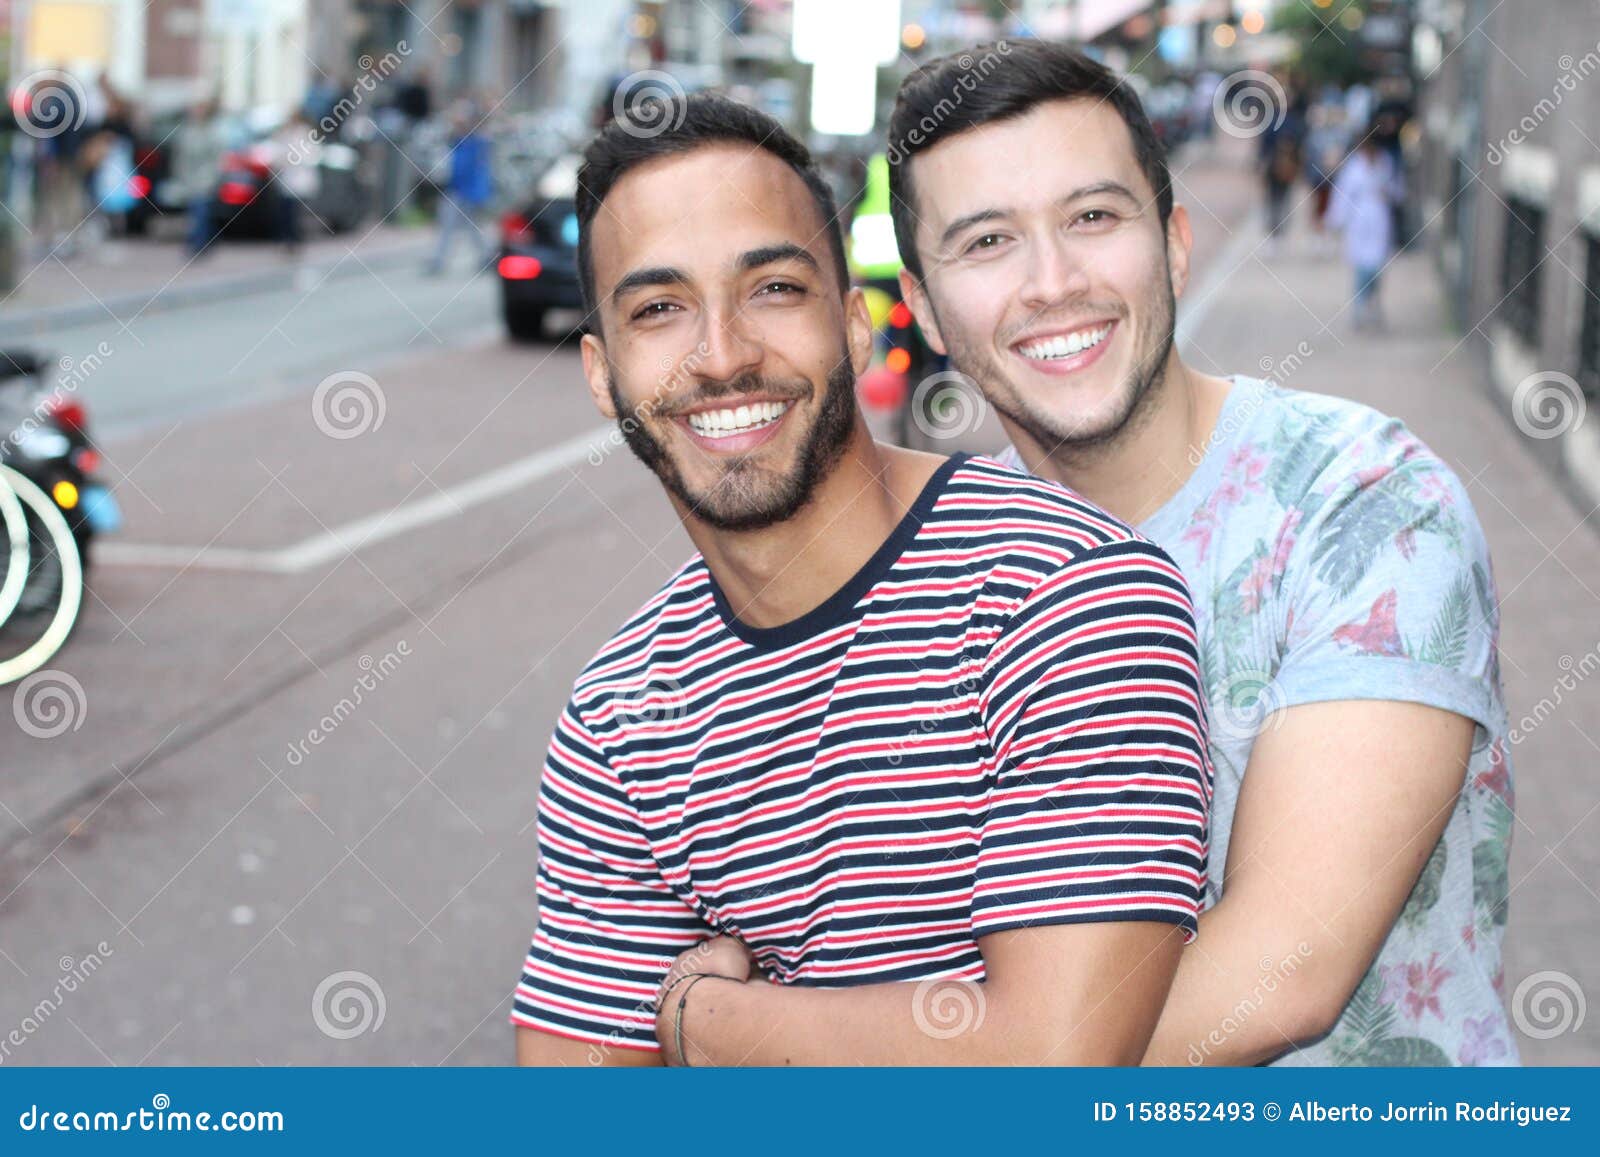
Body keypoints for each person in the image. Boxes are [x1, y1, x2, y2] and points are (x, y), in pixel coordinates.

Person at [511, 93, 1213, 1066]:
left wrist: (700, 1014)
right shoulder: (619, 715)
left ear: (853, 324)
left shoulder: (1064, 596)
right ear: (602, 371)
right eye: (659, 309)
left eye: (772, 289)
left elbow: (1052, 1063)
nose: (721, 355)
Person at [887, 41, 1515, 1067]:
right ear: (923, 306)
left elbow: (1280, 977)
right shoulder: (940, 566)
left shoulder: (1362, 498)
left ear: (1174, 244)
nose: (1052, 282)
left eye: (1093, 218)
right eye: (988, 240)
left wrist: (759, 1034)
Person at [1326, 132, 1402, 331]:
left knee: (1377, 263)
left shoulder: (1385, 164)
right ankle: (1360, 306)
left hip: (1379, 216)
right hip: (1359, 219)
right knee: (1361, 264)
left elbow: (1397, 190)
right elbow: (1342, 194)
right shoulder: (1353, 168)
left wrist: (1390, 192)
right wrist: (1336, 221)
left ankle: (1373, 303)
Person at [423, 100, 494, 276]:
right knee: (464, 227)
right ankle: (484, 257)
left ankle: (440, 261)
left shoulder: (476, 142)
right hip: (458, 190)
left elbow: (468, 169)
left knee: (455, 226)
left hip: (464, 191)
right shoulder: (459, 141)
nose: (455, 122)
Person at [172, 98, 227, 257]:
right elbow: (180, 156)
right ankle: (204, 241)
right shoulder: (187, 131)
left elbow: (217, 158)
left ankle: (198, 244)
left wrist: (213, 177)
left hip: (206, 178)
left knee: (200, 211)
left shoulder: (213, 132)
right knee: (196, 212)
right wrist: (180, 176)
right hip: (189, 179)